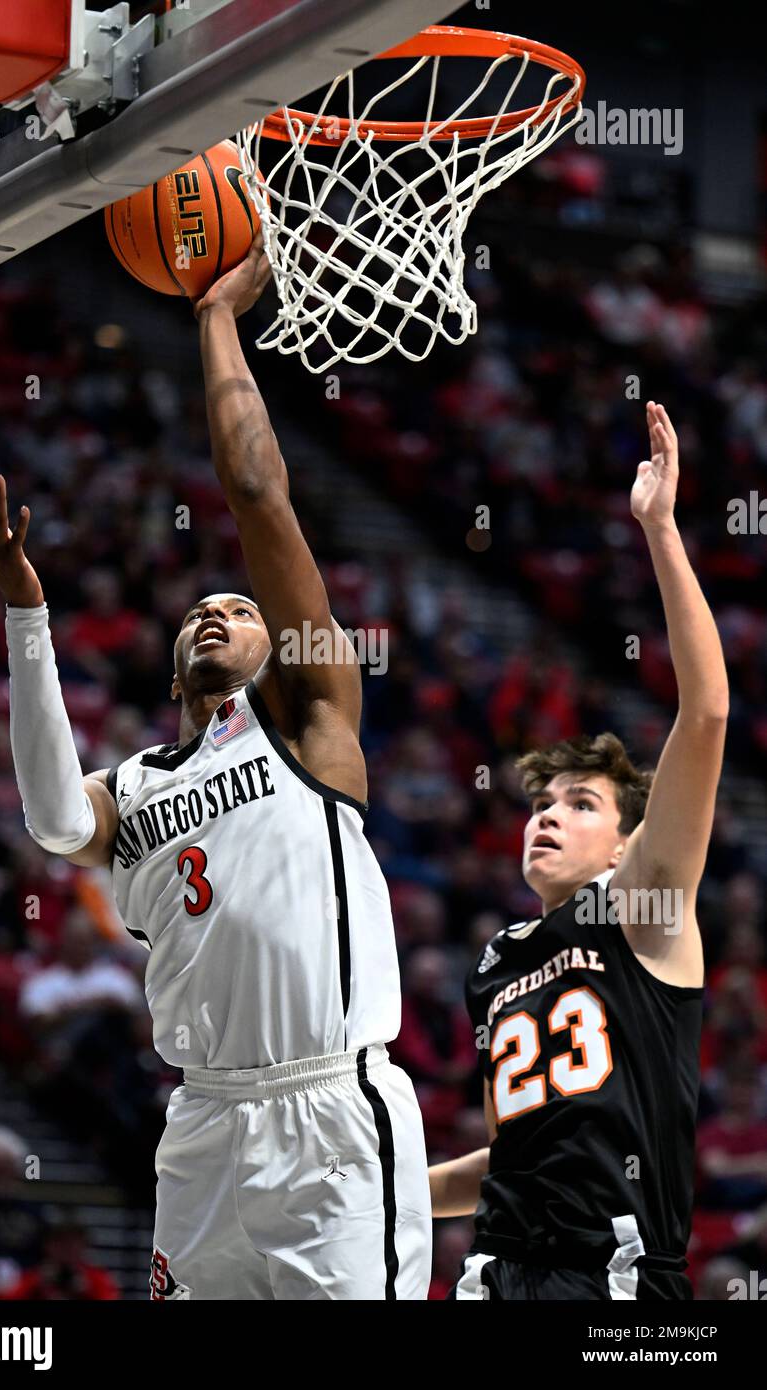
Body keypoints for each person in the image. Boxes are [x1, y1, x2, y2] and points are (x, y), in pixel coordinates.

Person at [0, 234, 431, 1302]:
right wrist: (26, 611)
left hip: (330, 1118)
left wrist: (216, 319)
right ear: (174, 660)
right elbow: (48, 817)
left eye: (240, 607)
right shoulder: (136, 787)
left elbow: (260, 495)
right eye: (199, 608)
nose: (219, 609)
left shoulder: (311, 723)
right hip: (204, 1123)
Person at [429, 402, 727, 1300]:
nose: (546, 816)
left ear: (626, 844)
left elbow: (707, 714)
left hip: (617, 1284)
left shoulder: (642, 908)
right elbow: (518, 1153)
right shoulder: (499, 960)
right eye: (542, 802)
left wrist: (660, 529)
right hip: (496, 1273)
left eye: (581, 803)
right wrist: (390, 1184)